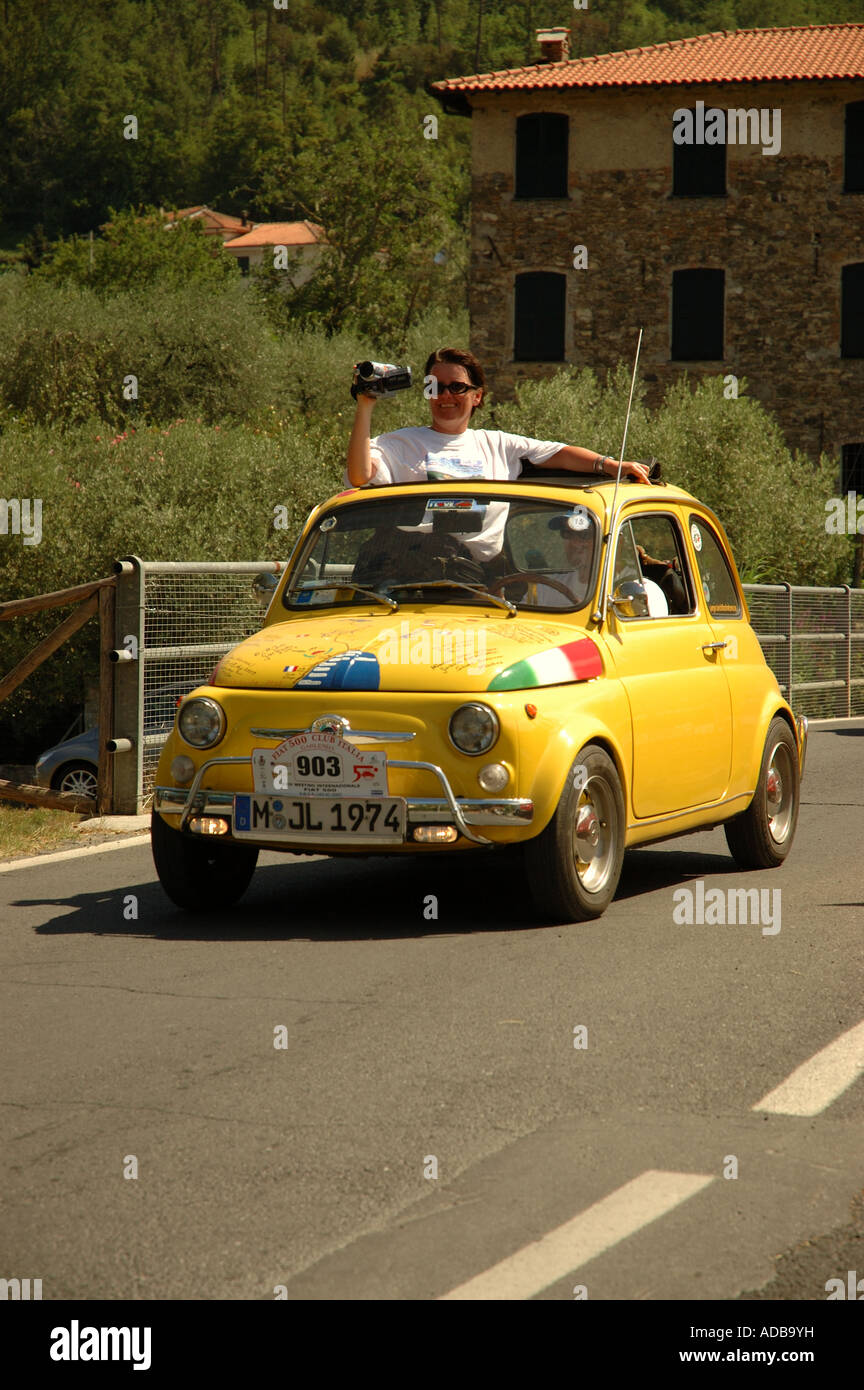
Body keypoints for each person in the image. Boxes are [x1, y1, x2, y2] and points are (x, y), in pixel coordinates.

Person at [345, 347, 650, 565]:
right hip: (408, 570)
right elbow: (360, 476)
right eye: (434, 387)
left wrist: (611, 465)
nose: (445, 396)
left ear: (477, 396)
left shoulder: (497, 445)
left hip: (475, 577)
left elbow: (558, 453)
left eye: (457, 387)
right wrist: (366, 405)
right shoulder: (401, 443)